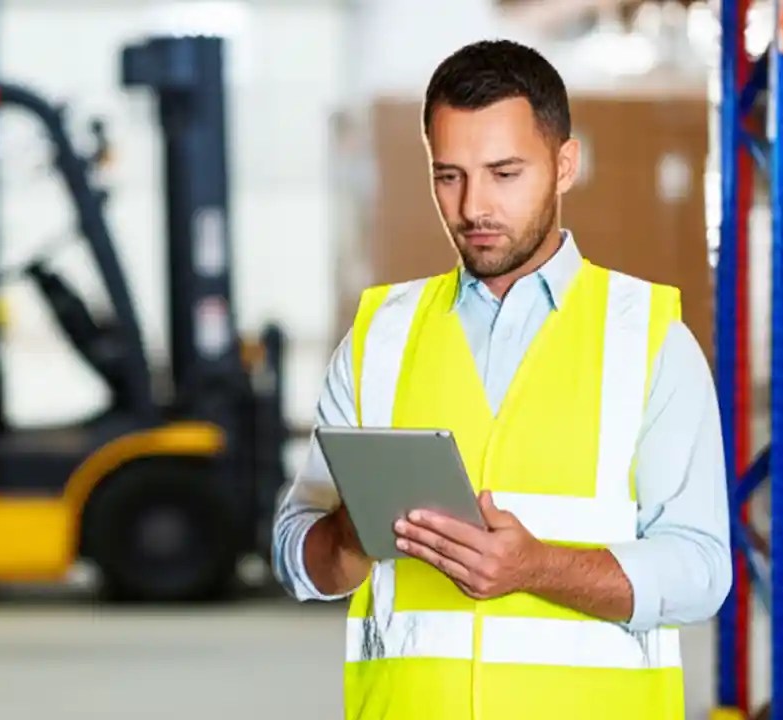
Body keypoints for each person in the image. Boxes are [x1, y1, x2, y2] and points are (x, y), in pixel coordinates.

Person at [272, 39, 731, 720]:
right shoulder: (379, 337)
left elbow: (700, 572)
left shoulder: (650, 340)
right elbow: (295, 553)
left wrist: (536, 568)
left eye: (504, 173)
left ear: (564, 164)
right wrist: (346, 538)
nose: (473, 207)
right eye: (449, 176)